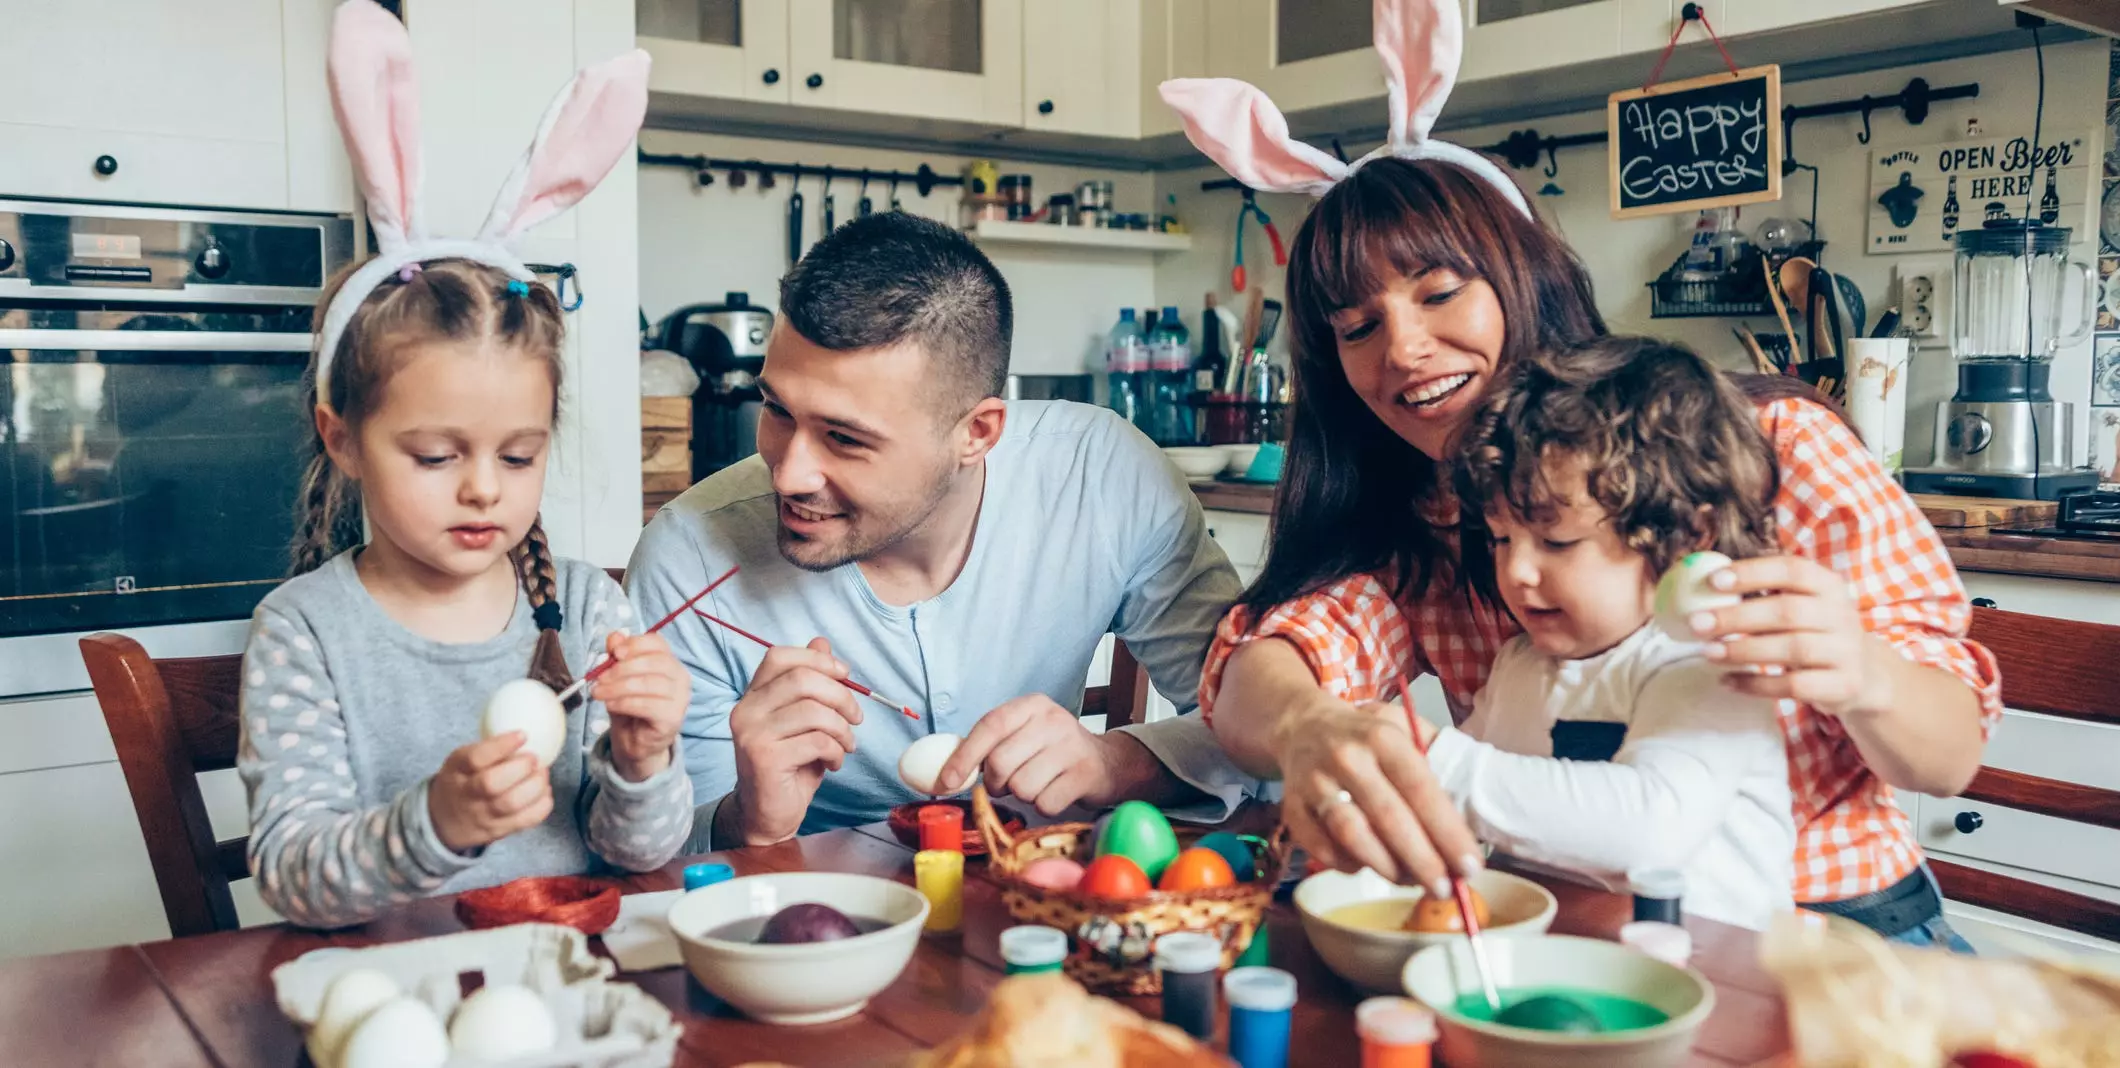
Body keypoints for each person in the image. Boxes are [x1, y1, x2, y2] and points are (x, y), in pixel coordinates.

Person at [1161, 0, 1995, 949]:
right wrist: (1310, 725)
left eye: (1440, 294)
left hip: (1840, 944)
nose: (1404, 349)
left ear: (1528, 275)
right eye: (1356, 329)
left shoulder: (1769, 446)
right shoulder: (1424, 513)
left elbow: (1949, 758)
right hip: (1582, 935)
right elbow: (1259, 667)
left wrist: (1866, 675)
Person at [238, 5, 691, 929]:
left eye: (518, 455)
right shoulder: (305, 633)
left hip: (578, 983)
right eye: (438, 455)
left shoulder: (587, 607)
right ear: (341, 439)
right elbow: (290, 876)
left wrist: (645, 759)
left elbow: (638, 855)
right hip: (395, 993)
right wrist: (434, 824)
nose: (485, 486)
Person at [626, 212, 1255, 851]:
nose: (787, 475)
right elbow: (660, 859)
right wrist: (748, 819)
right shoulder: (690, 558)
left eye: (844, 438)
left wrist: (1113, 763)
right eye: (778, 411)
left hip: (1042, 901)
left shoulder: (1101, 477)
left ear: (976, 434)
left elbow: (1259, 727)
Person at [1403, 336, 1794, 931]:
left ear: (1689, 534)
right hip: (1559, 964)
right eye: (1502, 538)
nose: (1516, 571)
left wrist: (1437, 763)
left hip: (1717, 984)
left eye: (1558, 541)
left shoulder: (1711, 665)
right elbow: (1449, 806)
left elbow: (1648, 829)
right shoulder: (1521, 665)